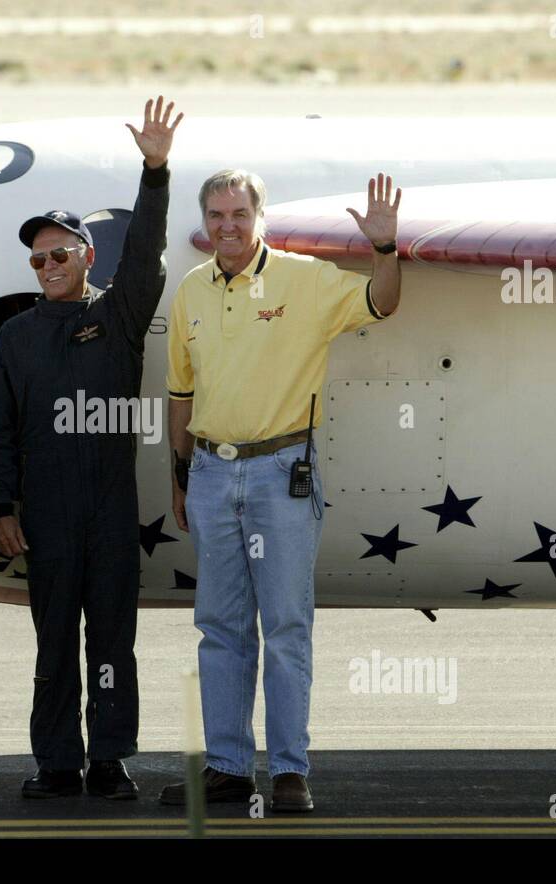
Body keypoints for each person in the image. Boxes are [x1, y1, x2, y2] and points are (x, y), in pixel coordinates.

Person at [160, 170, 402, 813]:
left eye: (239, 214)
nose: (227, 227)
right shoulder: (189, 290)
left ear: (259, 217)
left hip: (282, 473)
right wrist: (180, 473)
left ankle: (290, 772)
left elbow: (383, 303)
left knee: (286, 628)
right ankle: (227, 768)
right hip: (211, 473)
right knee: (220, 626)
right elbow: (180, 394)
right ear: (204, 220)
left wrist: (385, 250)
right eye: (216, 215)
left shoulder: (306, 278)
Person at [0, 96, 181, 800]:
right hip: (47, 514)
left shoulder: (119, 317)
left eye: (60, 254)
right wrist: (1, 508)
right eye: (38, 258)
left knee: (111, 642)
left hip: (109, 508)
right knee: (54, 643)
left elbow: (149, 254)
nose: (47, 265)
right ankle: (57, 760)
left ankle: (110, 758)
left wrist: (154, 172)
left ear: (86, 257)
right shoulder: (16, 336)